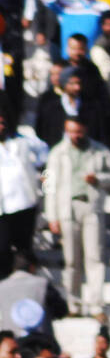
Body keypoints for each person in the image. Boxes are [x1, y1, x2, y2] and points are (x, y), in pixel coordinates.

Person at [44, 116, 110, 319]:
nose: (75, 136)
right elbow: (49, 185)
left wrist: (98, 179)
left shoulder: (100, 151)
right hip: (67, 208)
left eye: (78, 131)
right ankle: (73, 304)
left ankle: (96, 306)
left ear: (85, 130)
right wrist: (52, 216)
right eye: (71, 131)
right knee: (71, 260)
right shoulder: (57, 153)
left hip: (91, 205)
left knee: (94, 257)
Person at [0, 106, 40, 280]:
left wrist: (47, 187)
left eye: (2, 123)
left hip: (24, 203)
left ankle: (24, 282)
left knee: (23, 247)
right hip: (2, 207)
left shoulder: (25, 142)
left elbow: (48, 163)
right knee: (2, 248)